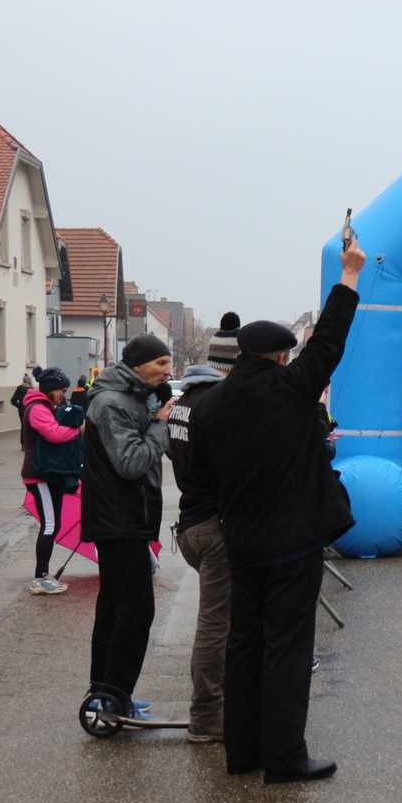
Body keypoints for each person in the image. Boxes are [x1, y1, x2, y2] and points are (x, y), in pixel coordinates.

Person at [189, 239, 365, 783]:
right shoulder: (291, 389)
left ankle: (242, 753)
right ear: (282, 356)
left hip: (240, 540)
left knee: (244, 645)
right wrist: (350, 273)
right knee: (286, 648)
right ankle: (285, 757)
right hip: (292, 542)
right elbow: (331, 338)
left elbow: (202, 478)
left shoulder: (208, 406)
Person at [81, 332, 173, 721]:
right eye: (162, 364)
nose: (169, 371)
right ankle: (113, 697)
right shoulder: (113, 402)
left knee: (116, 608)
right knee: (135, 611)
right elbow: (132, 463)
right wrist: (160, 426)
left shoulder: (130, 396)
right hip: (119, 520)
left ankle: (106, 693)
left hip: (124, 517)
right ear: (138, 367)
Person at [165, 312, 240, 744]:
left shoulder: (184, 402)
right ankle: (206, 717)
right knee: (215, 624)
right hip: (215, 526)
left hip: (191, 521)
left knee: (222, 619)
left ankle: (221, 706)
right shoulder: (218, 405)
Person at [21, 367, 82, 595]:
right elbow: (55, 434)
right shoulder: (37, 408)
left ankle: (43, 575)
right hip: (39, 476)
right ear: (50, 389)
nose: (64, 395)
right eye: (62, 390)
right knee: (49, 524)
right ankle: (40, 578)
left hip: (47, 475)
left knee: (53, 524)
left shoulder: (46, 406)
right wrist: (79, 429)